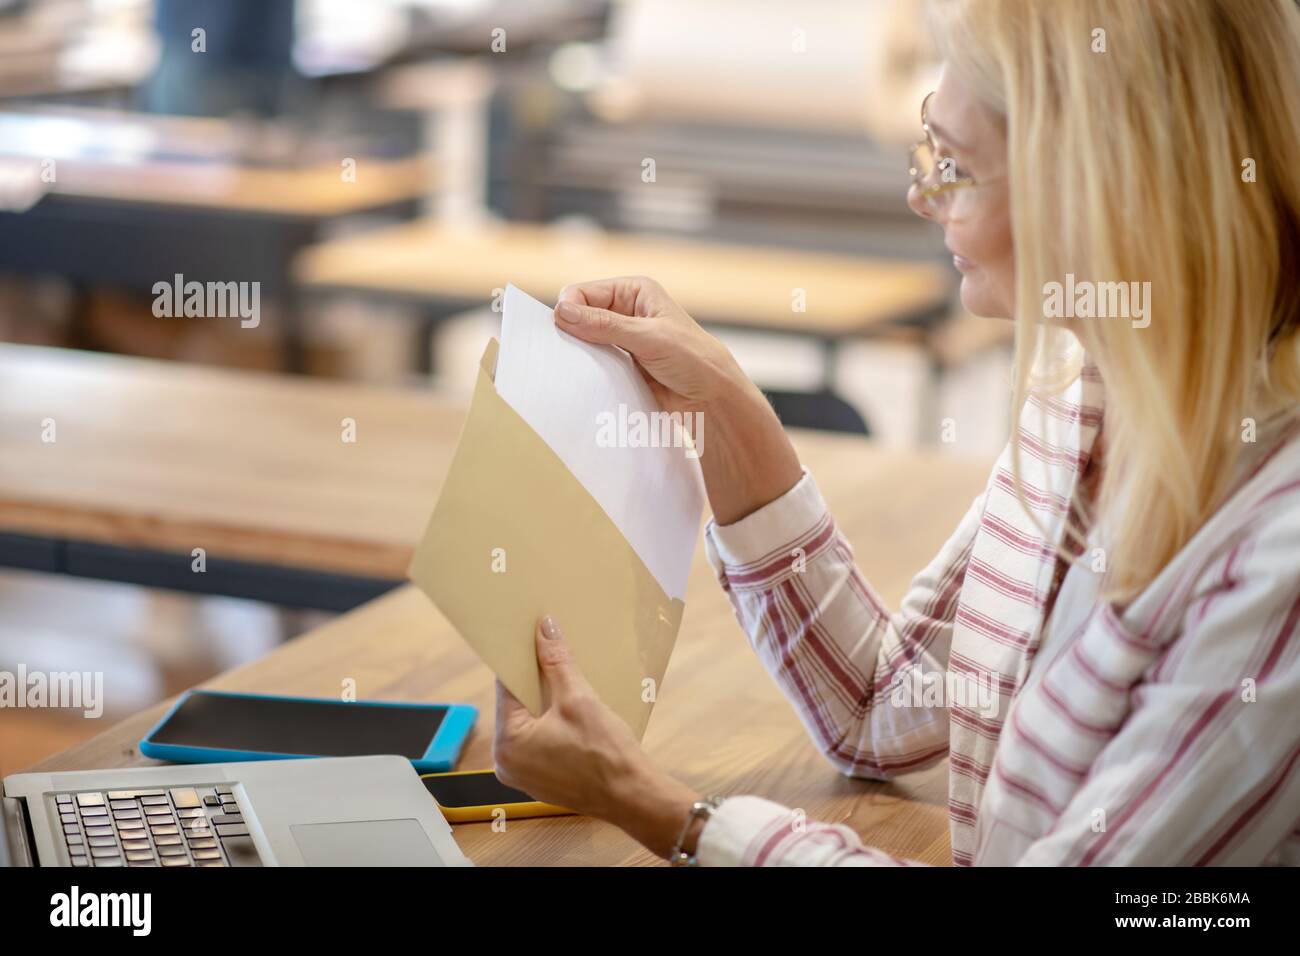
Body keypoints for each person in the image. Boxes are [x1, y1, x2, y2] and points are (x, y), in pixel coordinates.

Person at [493, 0, 1300, 866]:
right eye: (928, 149)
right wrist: (728, 408)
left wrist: (657, 807)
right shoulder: (1086, 395)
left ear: (1099, 192)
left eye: (955, 166)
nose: (921, 195)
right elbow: (885, 707)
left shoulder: (1276, 552)